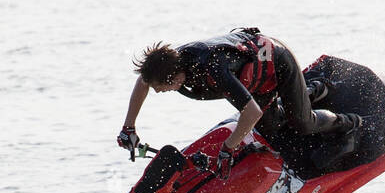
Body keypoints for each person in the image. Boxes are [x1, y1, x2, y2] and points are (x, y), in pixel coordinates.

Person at [118, 27, 363, 177]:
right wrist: (129, 127)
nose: (159, 92)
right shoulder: (171, 63)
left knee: (301, 124)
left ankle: (349, 124)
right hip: (253, 79)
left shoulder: (213, 70)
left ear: (174, 77)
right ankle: (312, 91)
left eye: (162, 88)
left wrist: (228, 147)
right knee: (274, 128)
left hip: (277, 64)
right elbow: (144, 81)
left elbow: (252, 113)